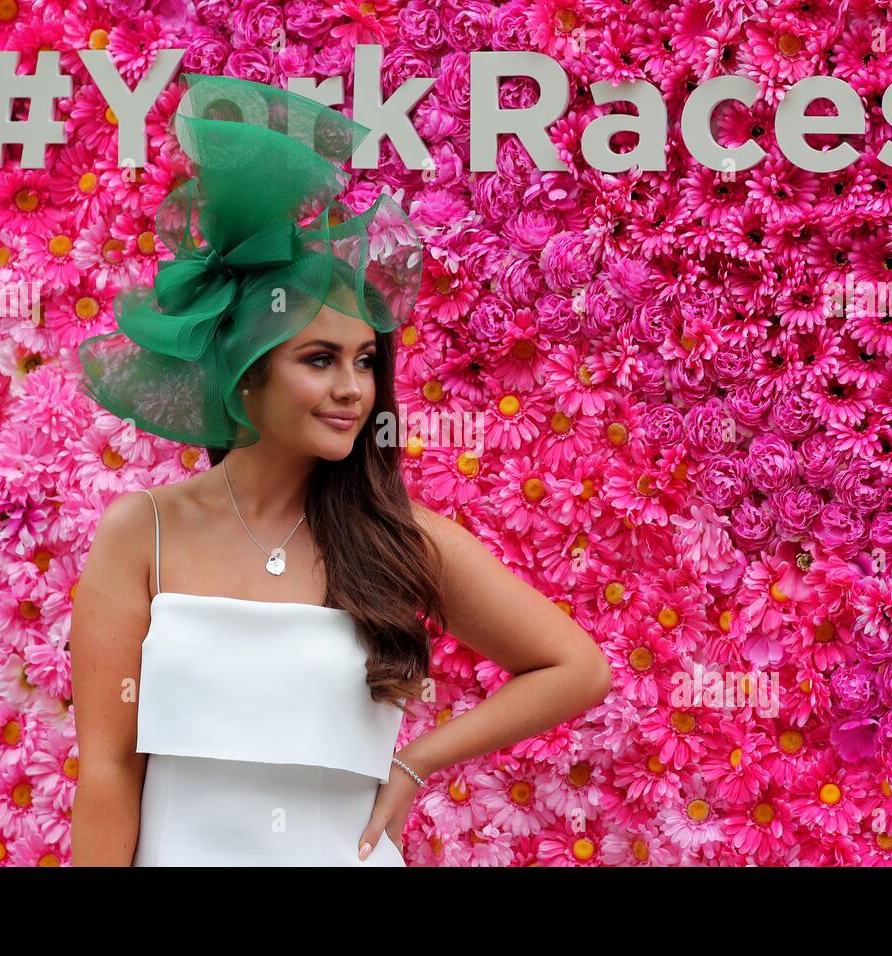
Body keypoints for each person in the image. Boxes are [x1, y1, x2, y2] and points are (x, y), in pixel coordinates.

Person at [68, 74, 611, 866]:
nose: (353, 389)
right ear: (244, 369)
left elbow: (576, 668)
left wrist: (414, 764)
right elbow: (109, 769)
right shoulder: (142, 533)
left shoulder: (398, 540)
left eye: (364, 361)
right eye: (319, 360)